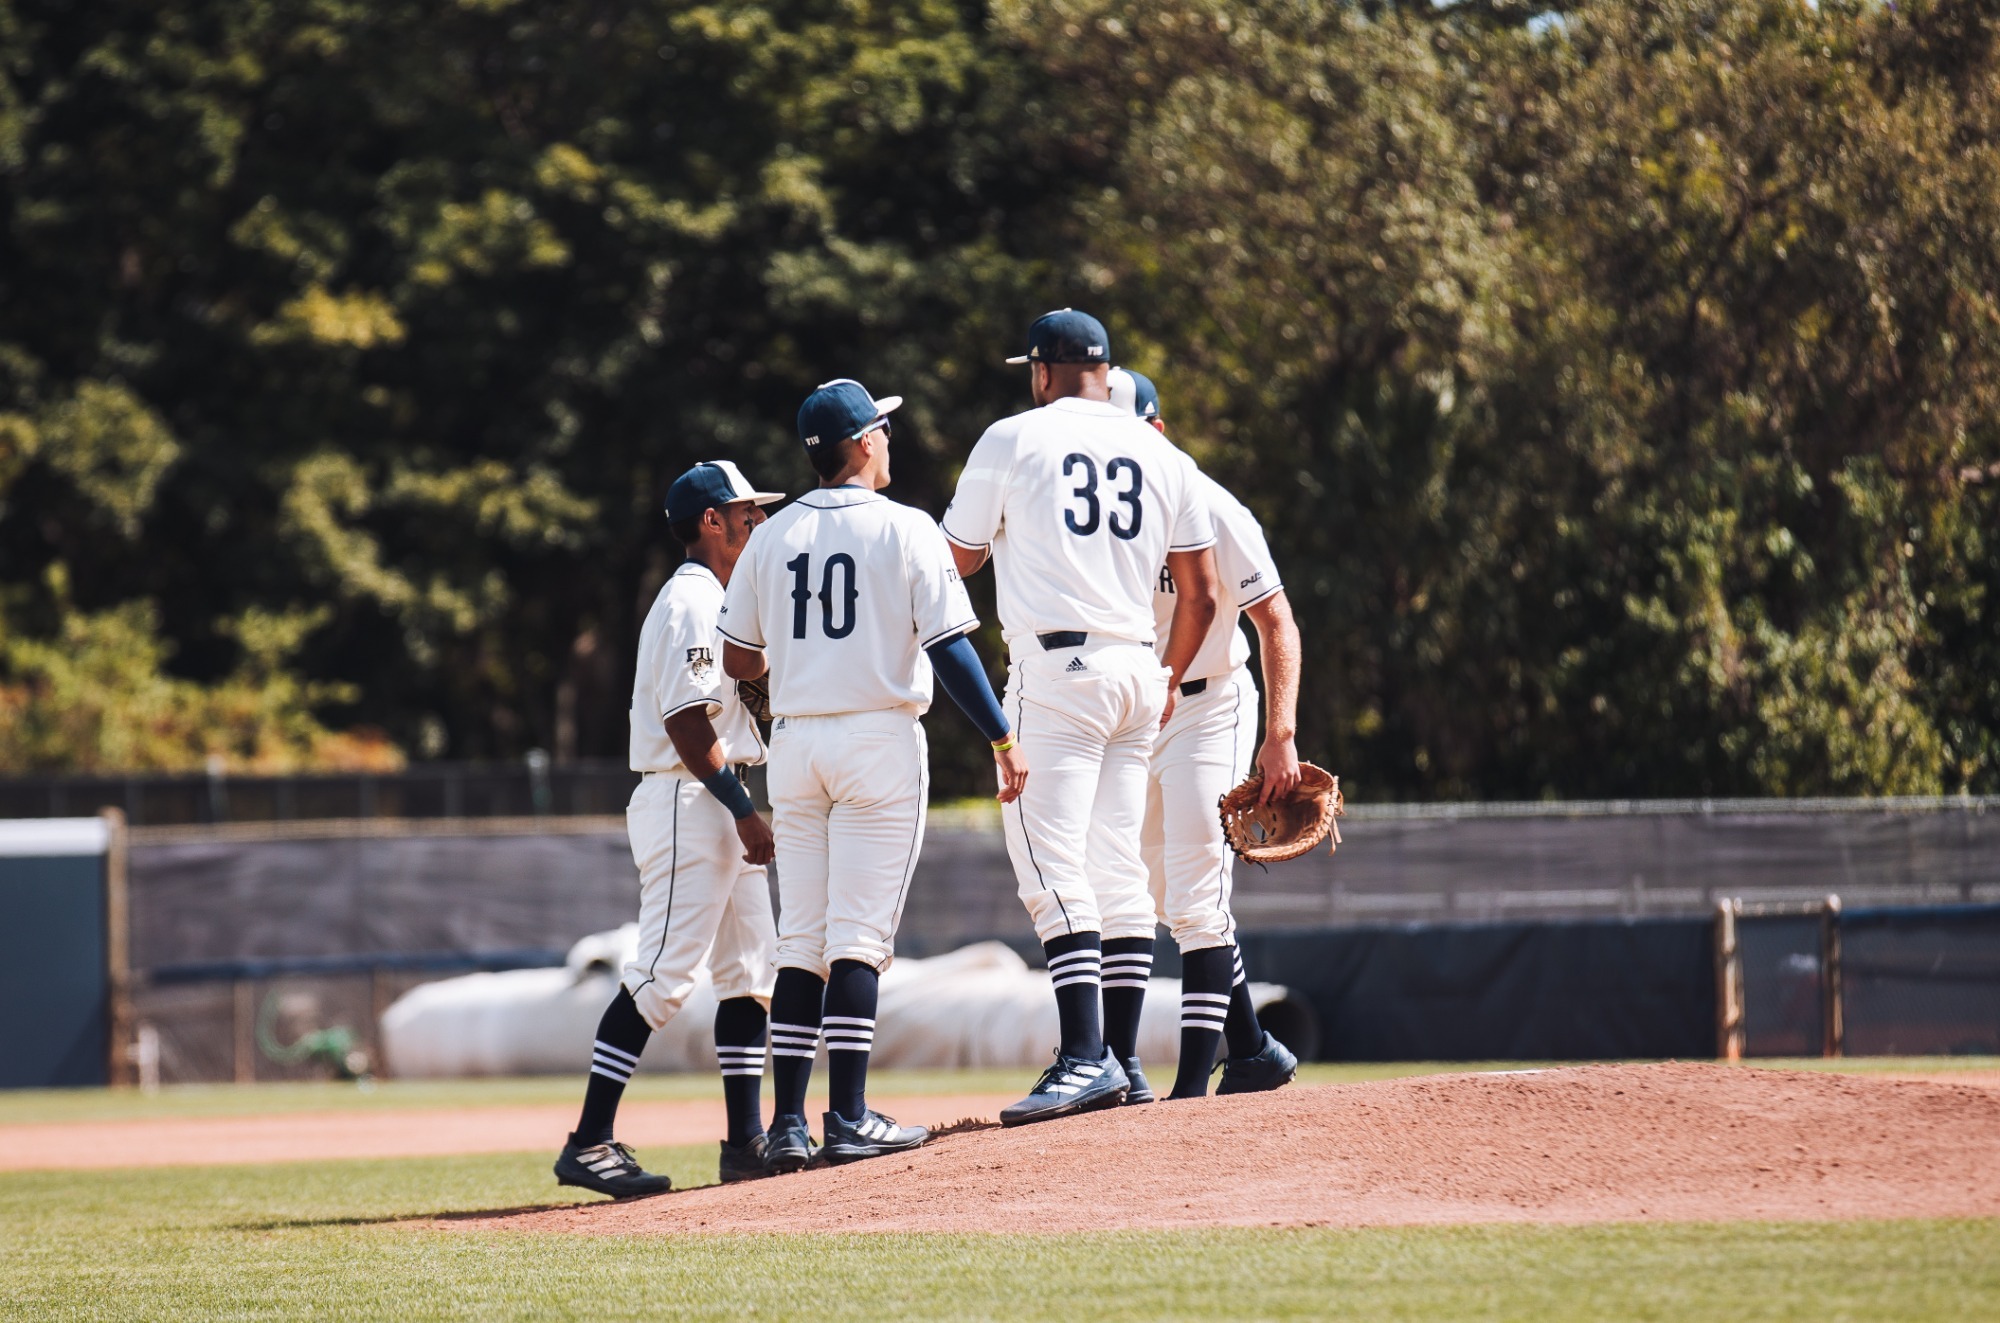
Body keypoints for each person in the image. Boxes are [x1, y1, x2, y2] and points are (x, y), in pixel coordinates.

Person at [720, 378, 1028, 1170]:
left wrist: (790, 679)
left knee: (802, 939)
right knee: (856, 937)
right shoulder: (906, 528)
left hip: (795, 743)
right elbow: (951, 646)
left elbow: (737, 655)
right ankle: (849, 1115)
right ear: (860, 443)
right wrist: (1001, 735)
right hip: (876, 741)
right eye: (881, 429)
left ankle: (788, 1123)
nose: (889, 438)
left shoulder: (770, 535)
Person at [941, 309, 1220, 1126]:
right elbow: (1200, 594)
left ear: (1040, 371)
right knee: (1118, 870)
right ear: (1108, 370)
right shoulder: (1163, 452)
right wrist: (1168, 674)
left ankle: (1082, 1057)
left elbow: (952, 559)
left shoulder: (1012, 437)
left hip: (1057, 669)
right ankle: (1123, 1061)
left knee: (1050, 864)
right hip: (1140, 665)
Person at [554, 460, 785, 1199]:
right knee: (659, 975)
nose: (755, 523)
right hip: (694, 799)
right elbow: (686, 721)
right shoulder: (691, 601)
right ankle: (589, 1140)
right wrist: (741, 808)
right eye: (746, 513)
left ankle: (746, 1140)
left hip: (718, 796)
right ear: (711, 521)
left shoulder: (719, 596)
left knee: (750, 975)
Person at [1110, 367, 1302, 1099]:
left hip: (1210, 703)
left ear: (1156, 430)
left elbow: (1276, 619)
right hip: (1138, 710)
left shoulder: (1213, 507)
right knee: (1155, 893)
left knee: (1194, 892)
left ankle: (1191, 1089)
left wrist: (1279, 732)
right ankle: (1251, 1046)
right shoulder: (1104, 517)